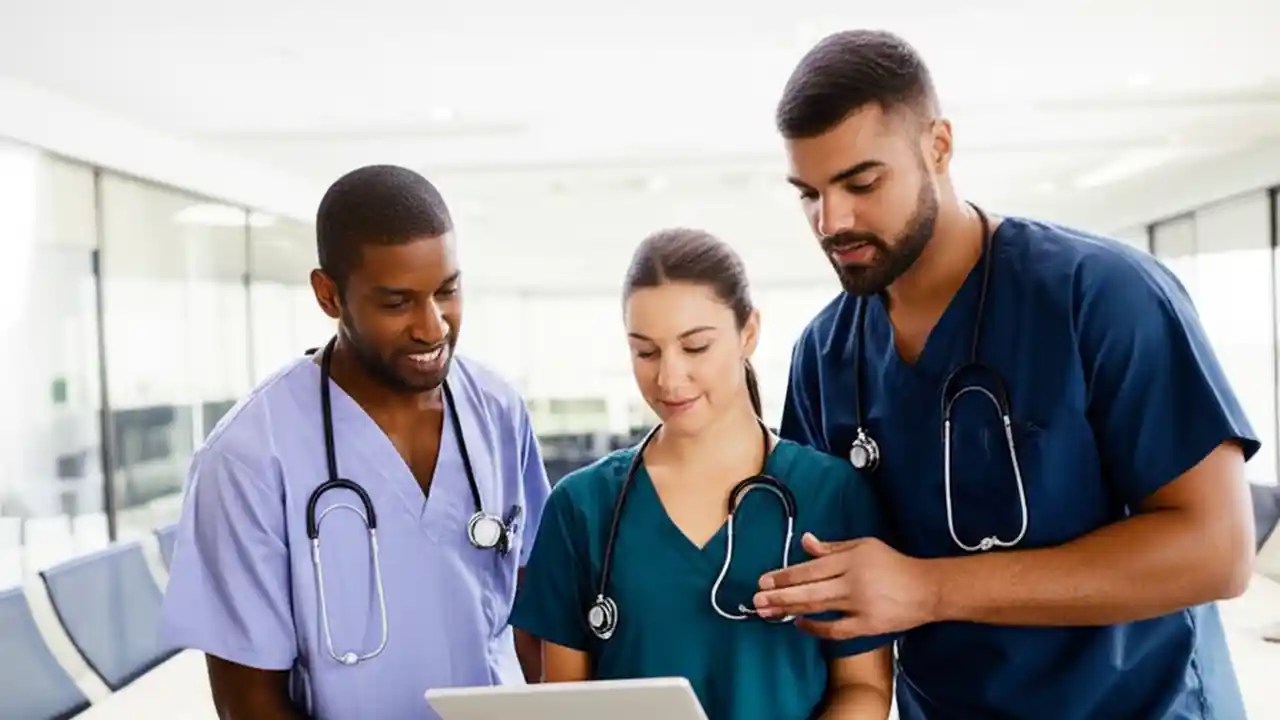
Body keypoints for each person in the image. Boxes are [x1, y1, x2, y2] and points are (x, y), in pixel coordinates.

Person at [749, 29, 1260, 720]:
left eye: (862, 183)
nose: (831, 220)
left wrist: (929, 588)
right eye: (808, 193)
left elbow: (1217, 550)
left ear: (938, 146)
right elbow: (828, 580)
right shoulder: (825, 356)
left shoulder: (1100, 296)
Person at [160, 164, 551, 719]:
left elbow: (537, 615)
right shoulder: (249, 456)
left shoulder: (497, 409)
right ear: (329, 295)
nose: (433, 327)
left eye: (447, 291)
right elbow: (248, 703)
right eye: (397, 302)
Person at [509, 228, 896, 720]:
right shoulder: (582, 507)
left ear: (748, 333)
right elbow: (567, 703)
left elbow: (863, 686)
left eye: (695, 347)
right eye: (646, 352)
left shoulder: (832, 495)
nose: (669, 378)